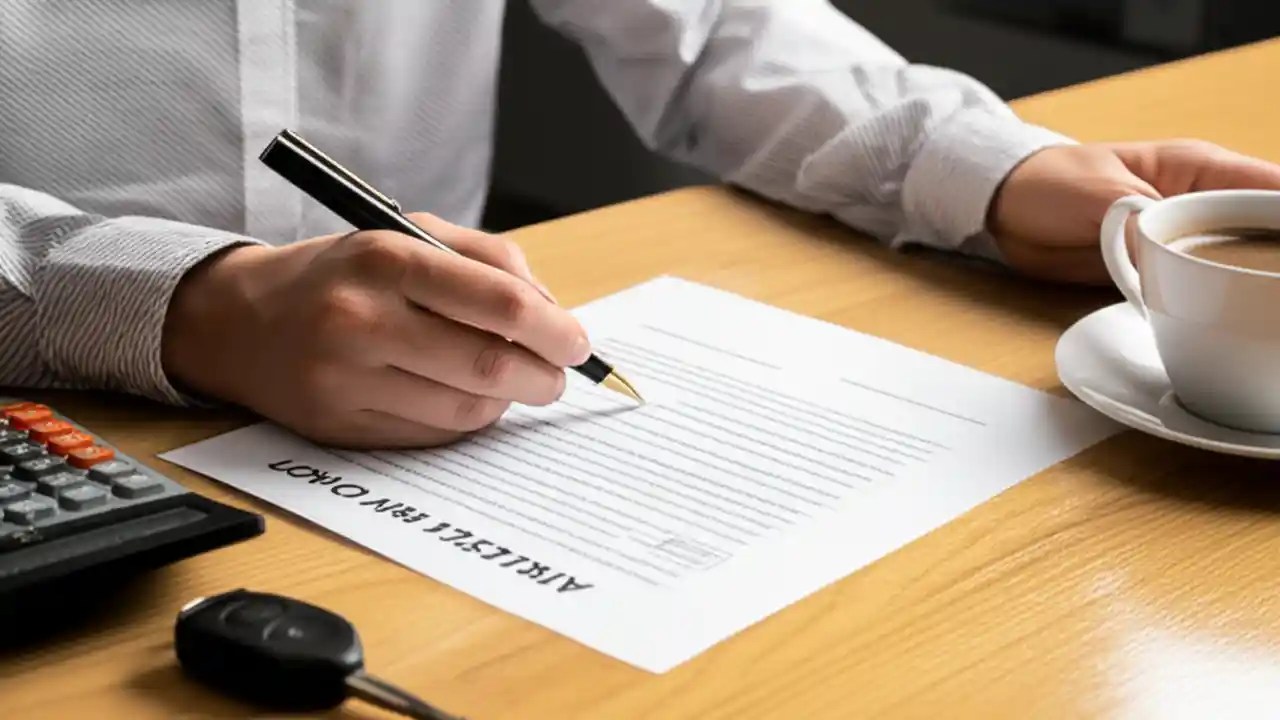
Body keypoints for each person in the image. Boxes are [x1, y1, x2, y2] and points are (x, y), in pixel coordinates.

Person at [3, 2, 1279, 448]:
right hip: (62, 431)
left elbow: (708, 25)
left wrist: (988, 174)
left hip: (433, 407)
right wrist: (189, 301)